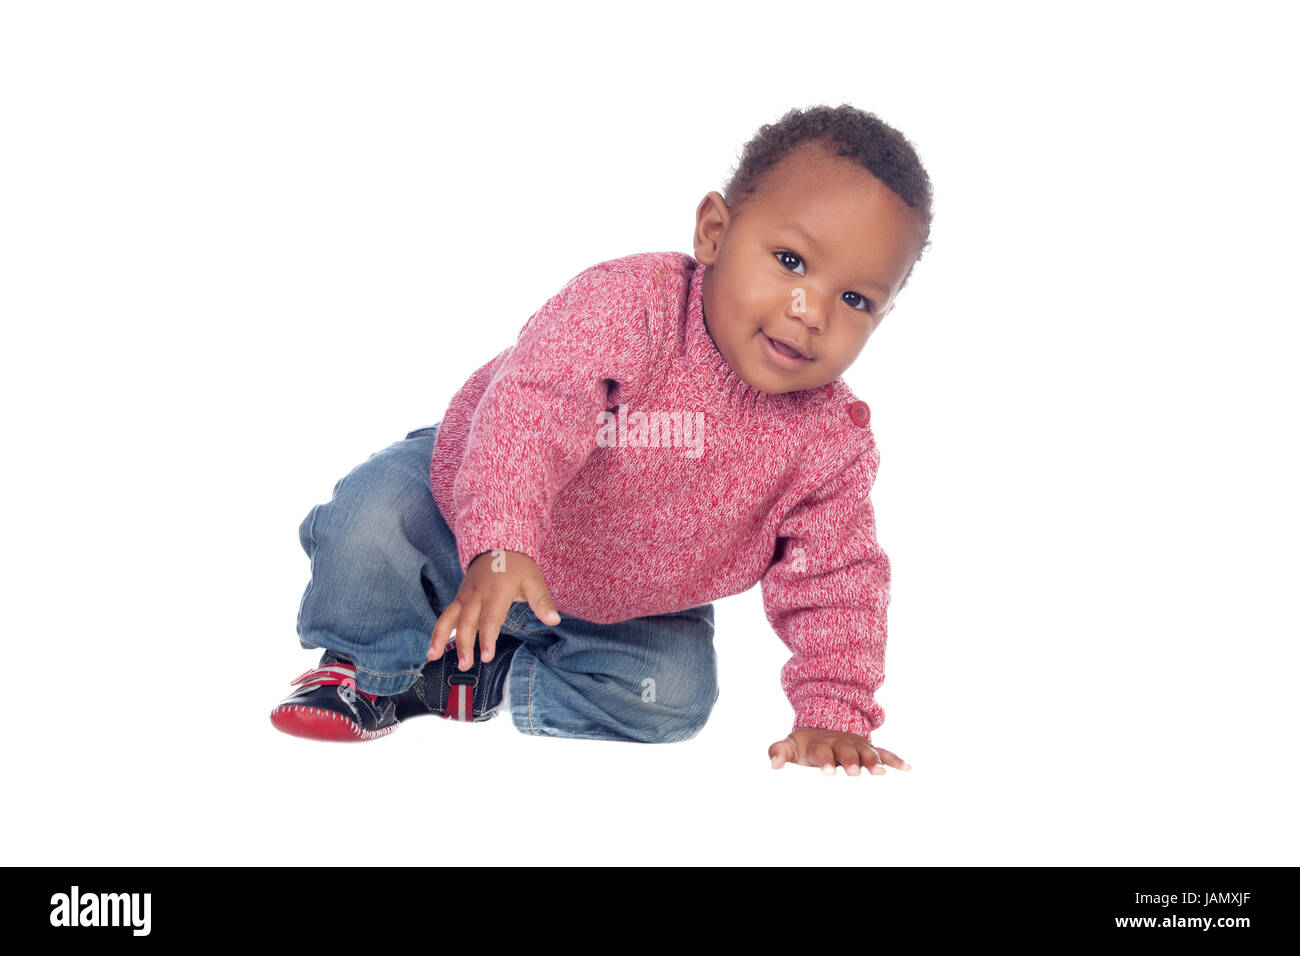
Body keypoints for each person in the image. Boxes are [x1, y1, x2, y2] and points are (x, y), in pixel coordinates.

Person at [270, 104, 931, 776]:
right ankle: (367, 665)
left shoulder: (828, 444)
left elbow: (839, 577)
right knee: (372, 517)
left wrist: (831, 713)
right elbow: (529, 413)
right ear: (715, 231)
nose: (810, 311)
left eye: (855, 301)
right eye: (790, 260)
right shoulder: (627, 309)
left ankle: (482, 677)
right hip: (470, 517)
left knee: (670, 700)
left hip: (620, 607)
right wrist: (498, 541)